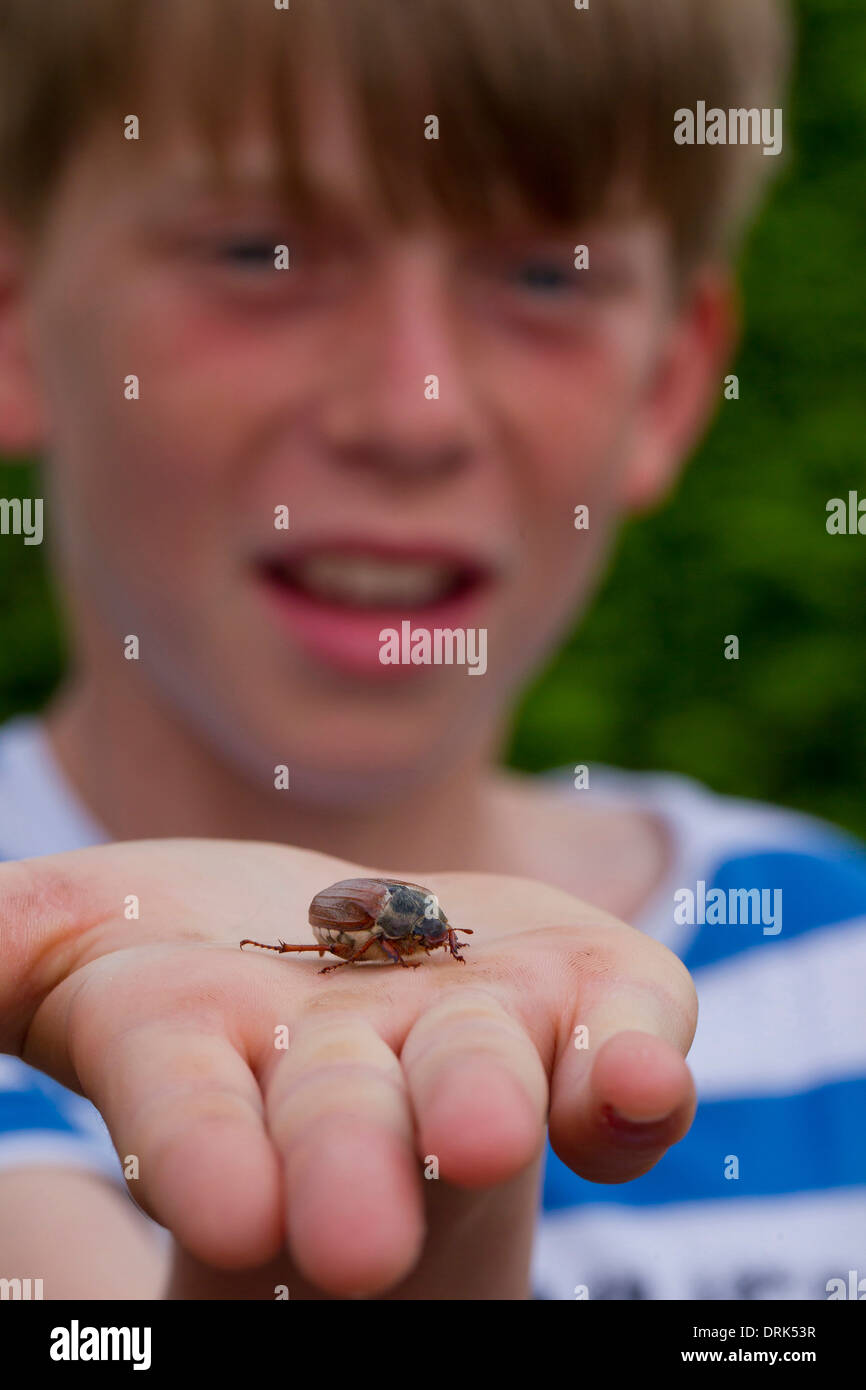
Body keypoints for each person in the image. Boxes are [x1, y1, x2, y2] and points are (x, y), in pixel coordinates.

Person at [0, 0, 862, 1300]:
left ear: (671, 383)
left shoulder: (835, 965)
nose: (414, 413)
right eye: (262, 250)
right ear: (14, 316)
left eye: (544, 277)